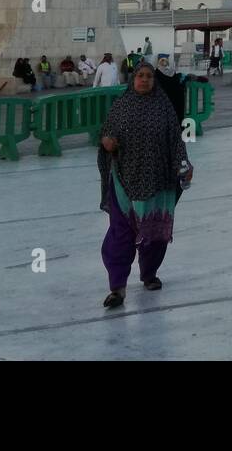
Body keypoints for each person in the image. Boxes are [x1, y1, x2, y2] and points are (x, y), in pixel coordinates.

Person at [97, 62, 192, 309]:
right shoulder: (121, 107)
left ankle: (149, 273)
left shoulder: (164, 108)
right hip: (124, 183)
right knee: (120, 235)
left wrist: (183, 165)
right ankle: (117, 288)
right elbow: (106, 134)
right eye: (140, 75)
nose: (145, 80)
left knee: (155, 236)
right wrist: (107, 143)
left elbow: (176, 142)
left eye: (149, 76)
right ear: (133, 78)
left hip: (157, 184)